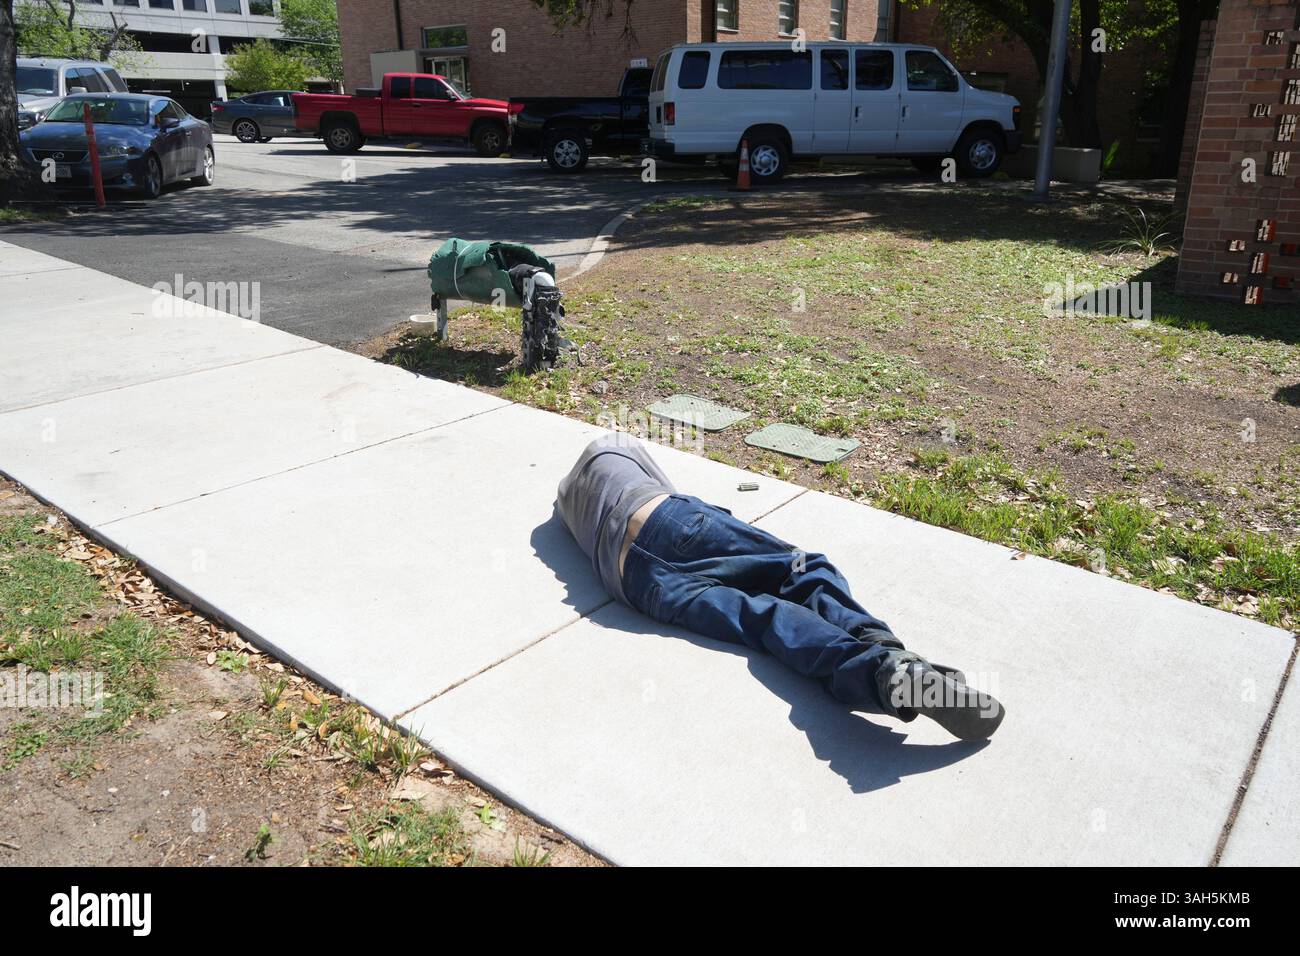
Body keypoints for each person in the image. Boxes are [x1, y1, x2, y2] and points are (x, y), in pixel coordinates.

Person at [555, 434, 1005, 740]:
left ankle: (884, 678)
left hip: (636, 585)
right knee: (803, 571)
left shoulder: (564, 502)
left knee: (766, 617)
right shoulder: (612, 447)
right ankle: (884, 651)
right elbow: (677, 499)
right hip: (667, 520)